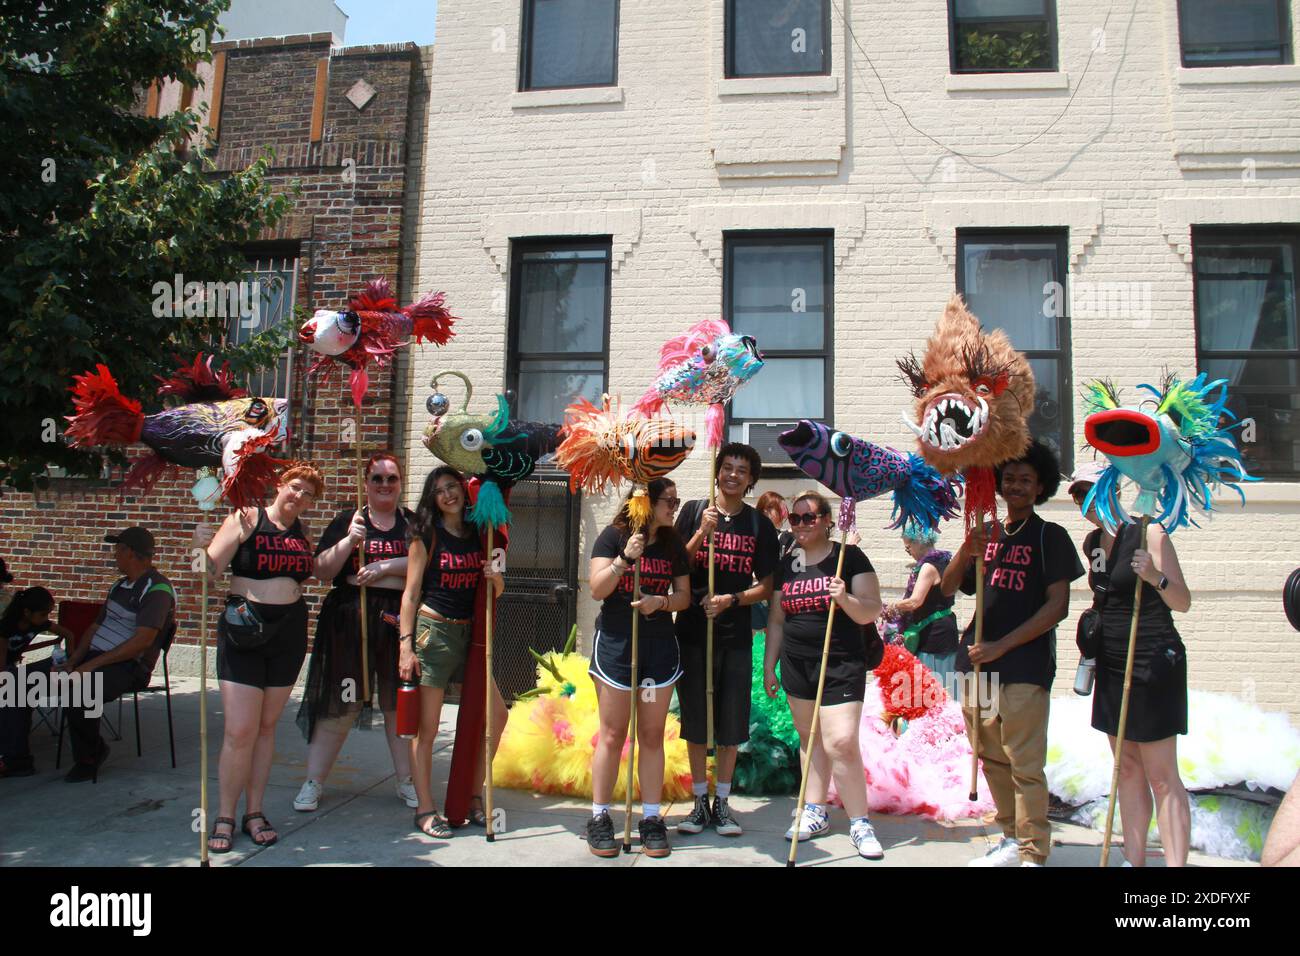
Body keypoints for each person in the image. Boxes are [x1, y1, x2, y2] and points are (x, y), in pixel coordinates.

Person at [941, 441, 1084, 867]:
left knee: (1024, 762)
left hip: (1023, 665)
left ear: (1040, 486)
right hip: (978, 664)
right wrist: (968, 546)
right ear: (999, 484)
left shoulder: (1050, 536)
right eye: (1010, 479)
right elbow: (948, 589)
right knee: (989, 756)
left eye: (1026, 479)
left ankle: (1033, 851)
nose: (1016, 485)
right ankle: (1009, 836)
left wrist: (1002, 645)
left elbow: (1058, 606)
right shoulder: (988, 534)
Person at [1070, 464, 1192, 867]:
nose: (1085, 501)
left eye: (1091, 490)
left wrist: (1154, 576)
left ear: (1111, 490)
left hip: (1154, 660)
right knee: (1126, 768)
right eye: (1077, 495)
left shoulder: (1148, 532)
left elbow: (1182, 601)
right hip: (1111, 662)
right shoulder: (1093, 543)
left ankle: (1176, 866)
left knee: (1161, 774)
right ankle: (1134, 859)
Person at [195, 464, 321, 852]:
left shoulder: (303, 534)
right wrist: (198, 547)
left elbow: (312, 573)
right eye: (295, 487)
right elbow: (207, 573)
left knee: (267, 729)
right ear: (279, 486)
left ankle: (255, 811)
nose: (299, 496)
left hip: (289, 633)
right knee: (239, 731)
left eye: (308, 494)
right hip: (244, 630)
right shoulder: (246, 519)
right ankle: (225, 814)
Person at [763, 490, 886, 860]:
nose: (800, 524)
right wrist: (771, 664)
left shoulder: (848, 557)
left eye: (809, 517)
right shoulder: (789, 563)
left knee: (841, 742)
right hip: (797, 663)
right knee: (809, 738)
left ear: (828, 520)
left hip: (841, 662)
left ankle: (860, 822)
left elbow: (871, 610)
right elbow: (777, 618)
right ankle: (814, 810)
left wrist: (844, 598)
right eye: (794, 518)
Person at [294, 452, 415, 813]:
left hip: (397, 622)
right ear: (366, 483)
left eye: (391, 478)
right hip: (351, 620)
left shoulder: (411, 523)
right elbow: (322, 571)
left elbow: (427, 566)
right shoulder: (350, 520)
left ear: (400, 483)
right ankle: (313, 781)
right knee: (340, 705)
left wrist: (382, 568)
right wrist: (349, 542)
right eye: (377, 478)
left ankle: (406, 780)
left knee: (398, 705)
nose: (384, 484)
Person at [673, 443, 778, 837]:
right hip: (692, 633)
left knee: (731, 722)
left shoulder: (758, 526)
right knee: (697, 718)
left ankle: (722, 803)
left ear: (751, 479)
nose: (733, 474)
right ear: (717, 472)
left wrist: (733, 599)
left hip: (734, 636)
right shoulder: (693, 511)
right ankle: (698, 803)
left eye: (742, 470)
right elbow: (674, 567)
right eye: (727, 467)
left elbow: (767, 586)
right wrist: (702, 531)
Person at [398, 466, 506, 838]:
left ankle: (472, 796)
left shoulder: (482, 533)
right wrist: (405, 645)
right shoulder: (426, 534)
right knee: (425, 730)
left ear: (463, 490)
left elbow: (497, 591)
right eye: (440, 490)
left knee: (496, 716)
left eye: (453, 487)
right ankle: (425, 809)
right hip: (434, 632)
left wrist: (496, 579)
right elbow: (411, 593)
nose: (448, 495)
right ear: (432, 498)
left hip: (471, 636)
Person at [586, 478, 691, 858]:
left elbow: (684, 597)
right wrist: (624, 560)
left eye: (677, 502)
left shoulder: (673, 544)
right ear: (645, 501)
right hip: (616, 643)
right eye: (670, 501)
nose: (674, 508)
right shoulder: (613, 537)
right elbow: (597, 589)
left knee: (651, 734)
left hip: (659, 647)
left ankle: (650, 818)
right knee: (613, 734)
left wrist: (659, 603)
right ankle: (599, 817)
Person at [58, 527, 177, 783]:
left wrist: (89, 667)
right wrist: (74, 660)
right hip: (94, 659)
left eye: (118, 549)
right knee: (20, 683)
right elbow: (95, 627)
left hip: (128, 667)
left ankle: (91, 755)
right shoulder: (119, 586)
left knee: (81, 692)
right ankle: (16, 758)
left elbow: (141, 642)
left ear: (130, 553)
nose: (114, 555)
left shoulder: (157, 589)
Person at [0, 587, 73, 777]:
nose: (46, 618)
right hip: (3, 669)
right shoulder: (6, 627)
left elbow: (69, 635)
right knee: (13, 692)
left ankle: (17, 758)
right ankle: (16, 757)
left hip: (12, 670)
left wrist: (69, 658)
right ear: (26, 612)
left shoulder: (39, 623)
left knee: (18, 691)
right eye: (43, 614)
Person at [890, 525, 958, 686]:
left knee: (933, 686)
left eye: (908, 548)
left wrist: (891, 606)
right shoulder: (944, 561)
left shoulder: (928, 567)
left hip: (934, 635)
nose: (909, 552)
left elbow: (915, 601)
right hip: (944, 629)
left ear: (919, 542)